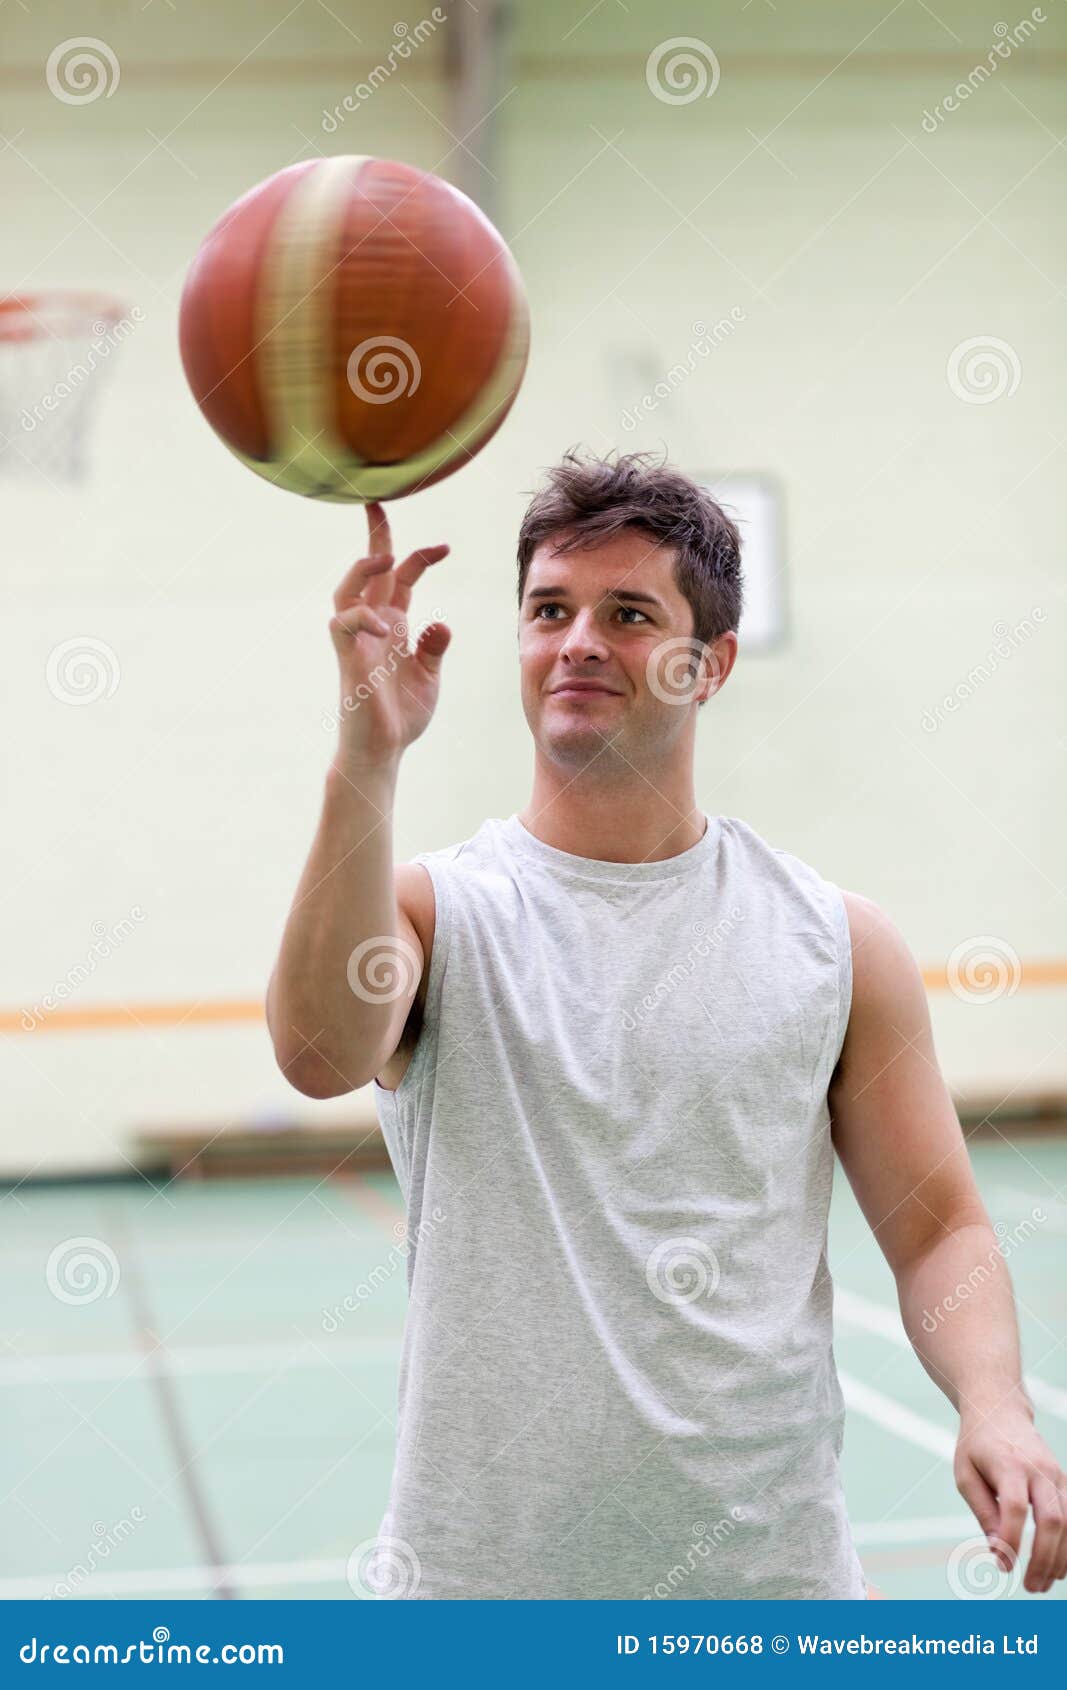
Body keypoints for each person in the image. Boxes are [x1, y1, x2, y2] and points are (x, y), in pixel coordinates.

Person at [266, 449, 1066, 1600]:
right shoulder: (436, 916)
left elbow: (937, 1224)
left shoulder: (836, 942)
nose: (578, 640)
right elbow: (314, 1054)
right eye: (550, 609)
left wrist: (993, 1403)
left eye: (628, 613)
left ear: (710, 662)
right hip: (481, 1602)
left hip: (769, 1597)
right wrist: (366, 752)